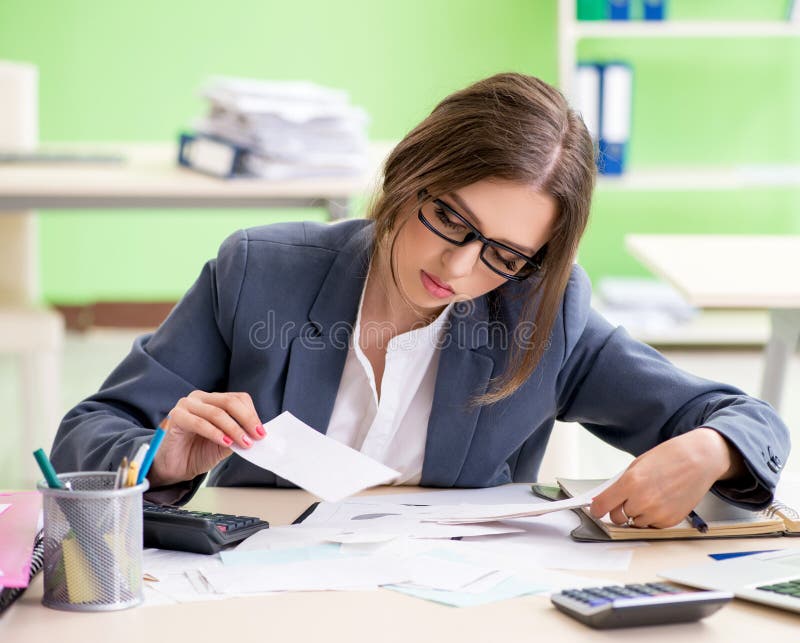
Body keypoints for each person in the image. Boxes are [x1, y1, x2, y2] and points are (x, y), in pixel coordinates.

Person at [50, 72, 789, 529]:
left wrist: (709, 448)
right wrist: (158, 455)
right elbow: (90, 429)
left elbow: (745, 420)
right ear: (410, 173)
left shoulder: (543, 313)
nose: (461, 267)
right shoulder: (260, 271)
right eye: (451, 220)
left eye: (503, 253)